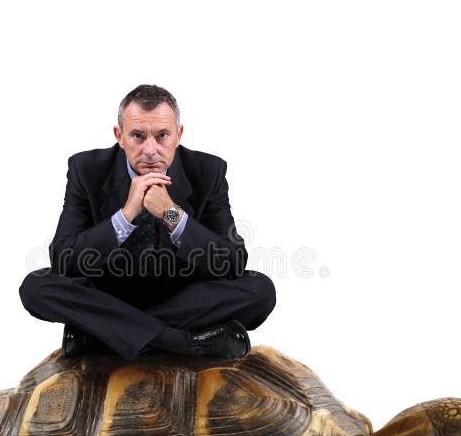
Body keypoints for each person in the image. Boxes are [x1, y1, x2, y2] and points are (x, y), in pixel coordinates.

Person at [19, 84, 276, 360]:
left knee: (261, 289)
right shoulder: (86, 170)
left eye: (162, 136)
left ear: (178, 135)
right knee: (36, 286)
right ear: (120, 136)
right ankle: (179, 341)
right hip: (110, 294)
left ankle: (102, 336)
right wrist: (125, 215)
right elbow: (63, 260)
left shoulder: (208, 171)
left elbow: (233, 262)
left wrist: (172, 215)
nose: (150, 150)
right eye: (138, 136)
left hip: (181, 297)